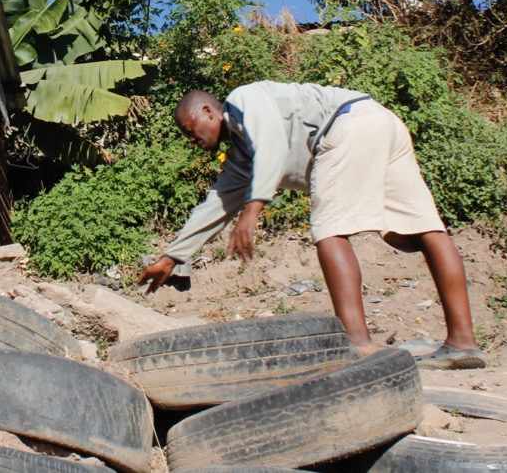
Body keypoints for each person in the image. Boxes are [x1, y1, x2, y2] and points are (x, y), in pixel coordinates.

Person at [136, 81, 486, 370]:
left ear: (209, 112)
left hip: (346, 124)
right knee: (425, 227)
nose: (190, 139)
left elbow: (272, 145)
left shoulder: (242, 101)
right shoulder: (241, 157)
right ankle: (462, 342)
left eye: (190, 128)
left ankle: (357, 345)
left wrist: (253, 210)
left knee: (329, 229)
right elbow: (217, 203)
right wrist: (172, 257)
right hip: (380, 122)